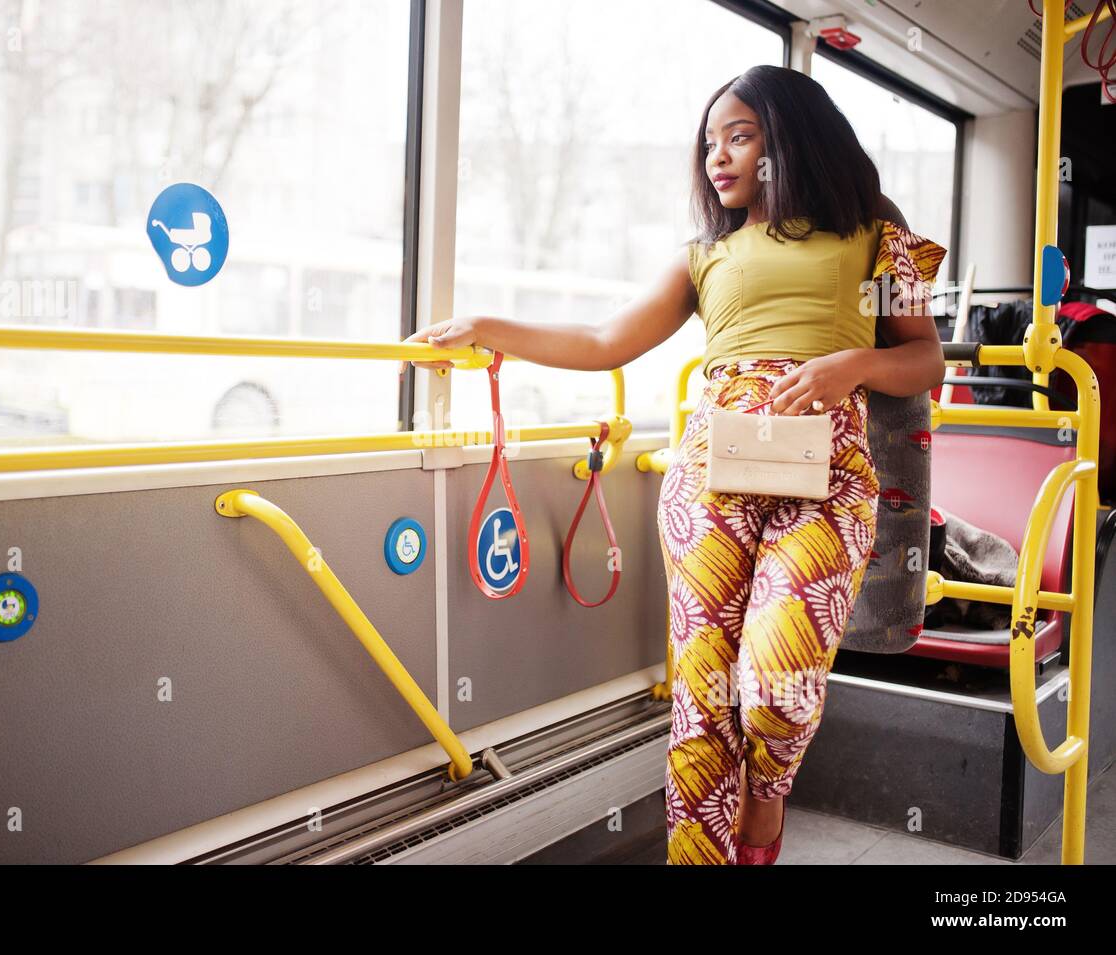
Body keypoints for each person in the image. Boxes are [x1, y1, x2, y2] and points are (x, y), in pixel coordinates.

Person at [399, 64, 947, 864]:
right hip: (710, 483)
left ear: (786, 139)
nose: (717, 156)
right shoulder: (706, 254)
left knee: (775, 679)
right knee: (700, 700)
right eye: (708, 142)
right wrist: (487, 325)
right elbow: (601, 341)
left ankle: (766, 796)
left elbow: (927, 360)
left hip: (827, 485)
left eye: (739, 136)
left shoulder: (877, 234)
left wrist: (851, 366)